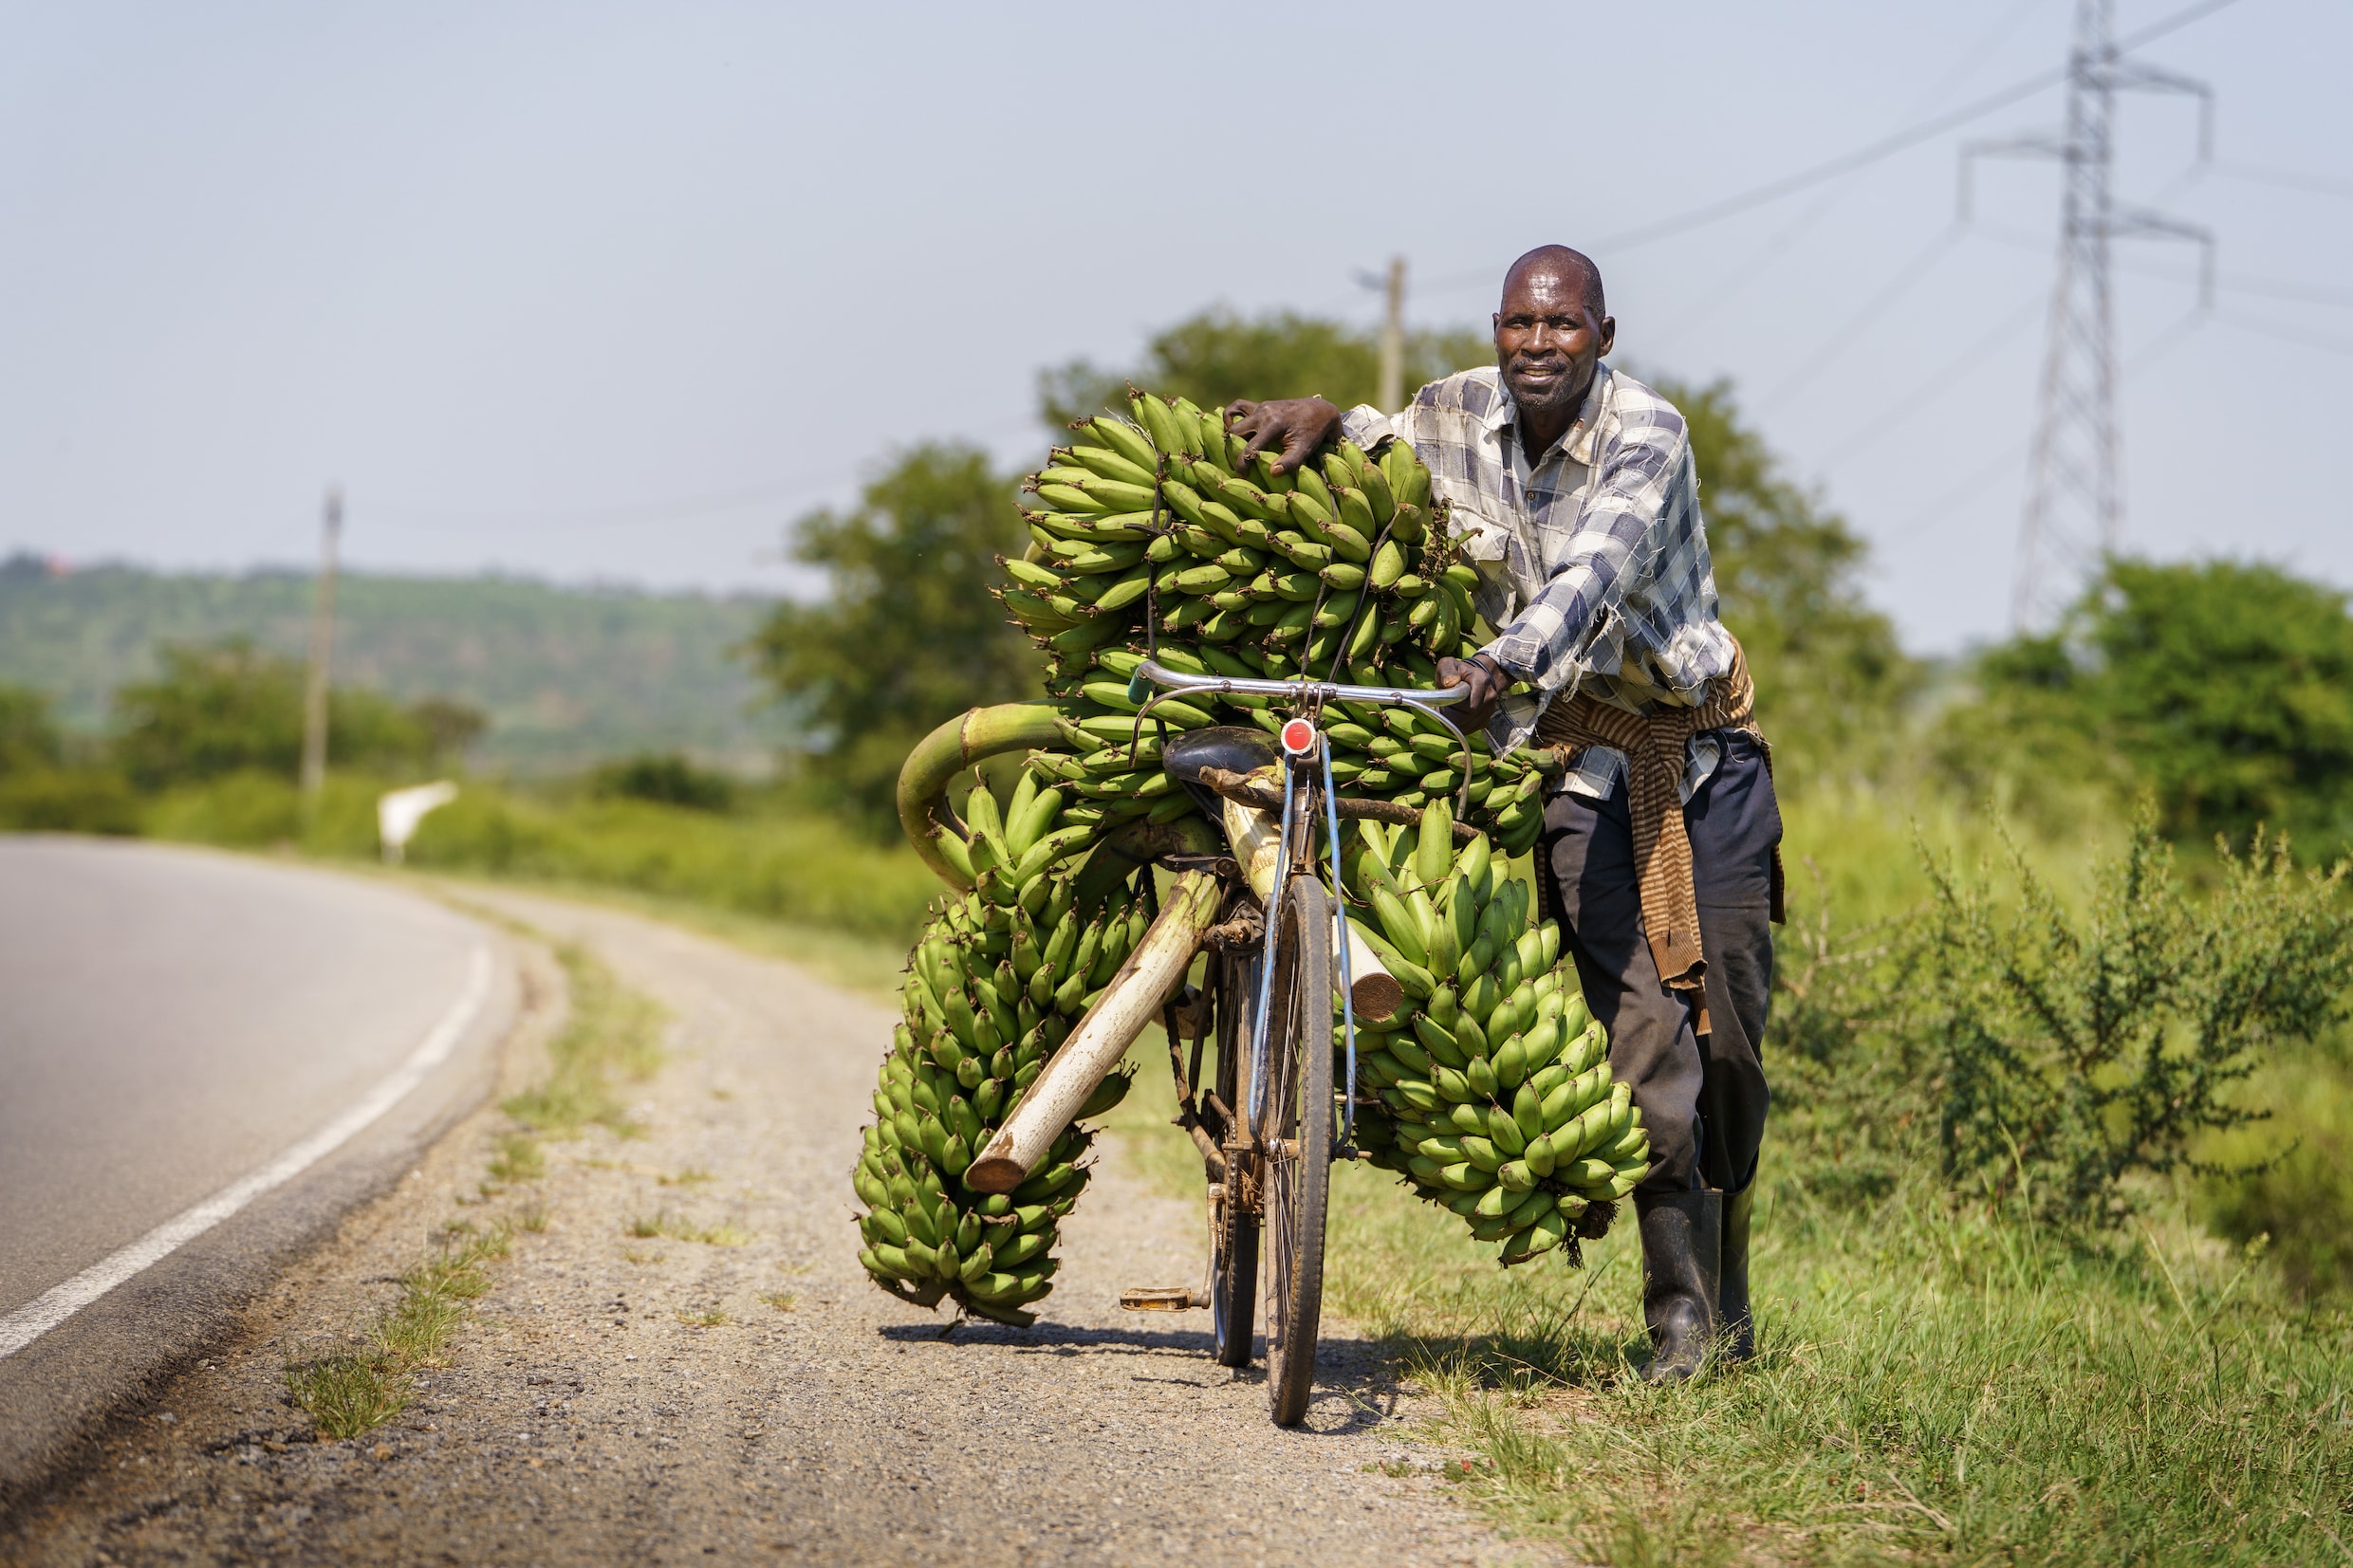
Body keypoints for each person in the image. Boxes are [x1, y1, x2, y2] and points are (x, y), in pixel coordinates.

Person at [1226, 246, 1780, 1382]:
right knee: (1642, 1040)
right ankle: (1678, 1320)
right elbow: (1385, 436)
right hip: (1573, 772)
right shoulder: (1454, 413)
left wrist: (1500, 661)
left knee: (1726, 1042)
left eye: (1563, 326)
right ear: (1495, 329)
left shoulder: (1649, 434)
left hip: (1702, 757)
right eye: (1521, 326)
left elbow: (1592, 575)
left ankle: (1728, 1288)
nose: (1539, 345)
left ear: (1603, 336)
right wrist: (1328, 419)